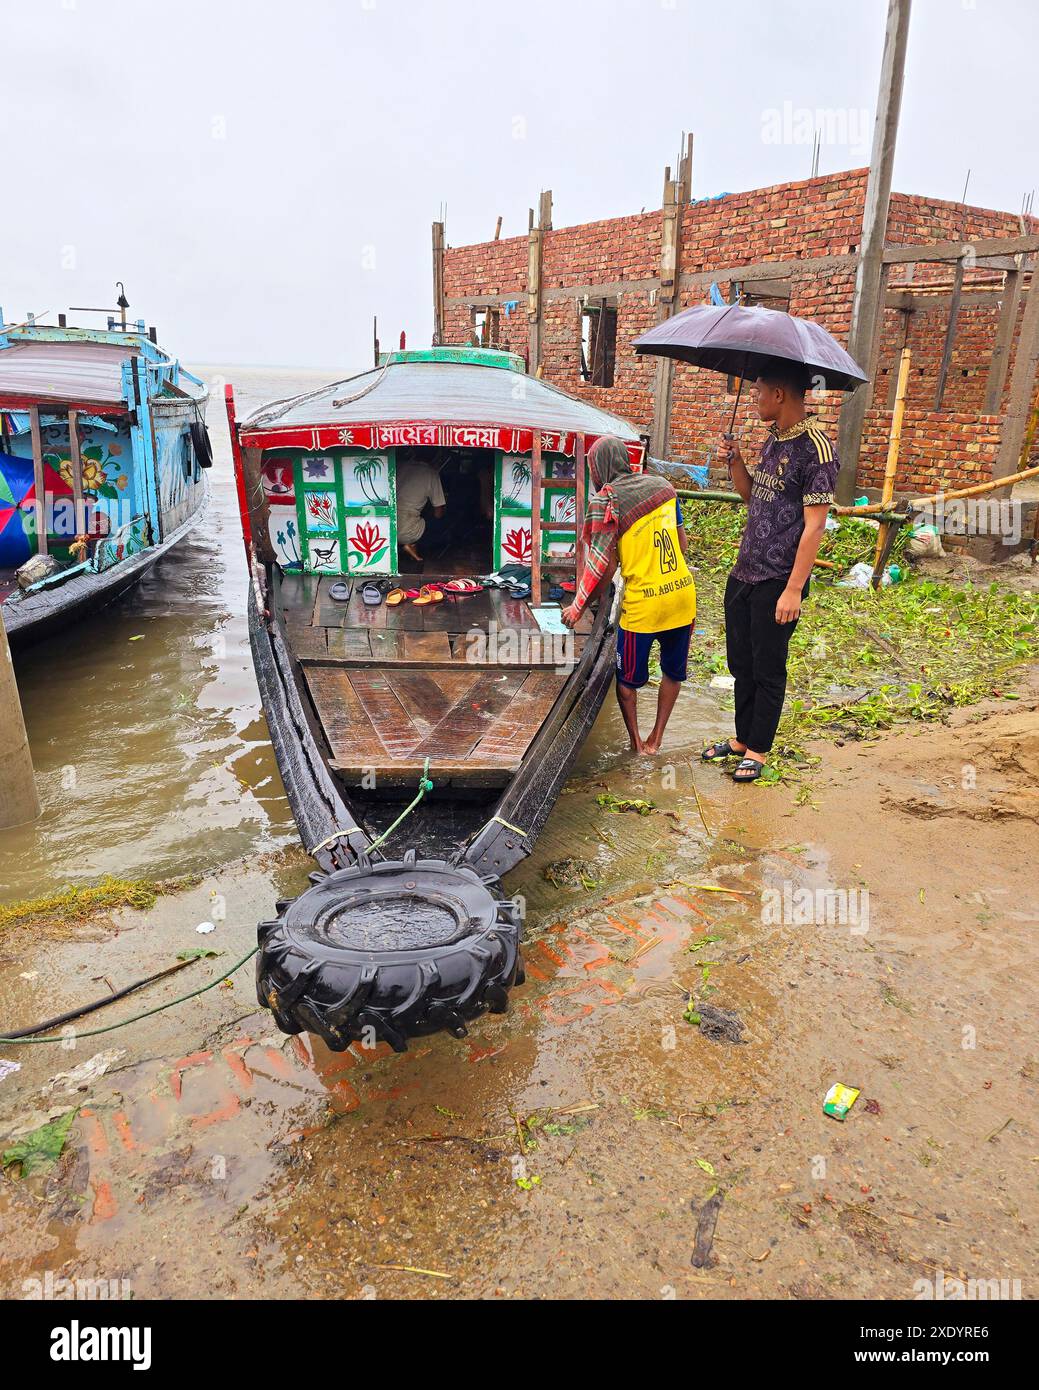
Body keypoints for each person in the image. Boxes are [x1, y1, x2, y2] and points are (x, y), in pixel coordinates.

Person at [703, 359, 837, 783]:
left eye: (759, 392)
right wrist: (736, 462)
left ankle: (758, 749)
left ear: (779, 394)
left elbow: (815, 524)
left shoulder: (817, 448)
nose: (755, 399)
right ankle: (743, 738)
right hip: (744, 571)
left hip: (778, 578)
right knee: (740, 662)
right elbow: (753, 498)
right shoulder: (773, 439)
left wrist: (794, 589)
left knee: (768, 667)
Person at [562, 435, 695, 755]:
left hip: (643, 606)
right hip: (682, 597)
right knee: (672, 672)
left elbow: (602, 568)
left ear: (598, 468)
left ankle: (637, 745)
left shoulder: (606, 502)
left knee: (627, 683)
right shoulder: (664, 488)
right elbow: (683, 546)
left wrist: (578, 607)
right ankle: (657, 739)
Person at [396, 457, 446, 564]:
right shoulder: (431, 474)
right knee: (442, 528)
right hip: (407, 532)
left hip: (386, 529)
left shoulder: (399, 465)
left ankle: (407, 545)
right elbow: (438, 513)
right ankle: (411, 544)